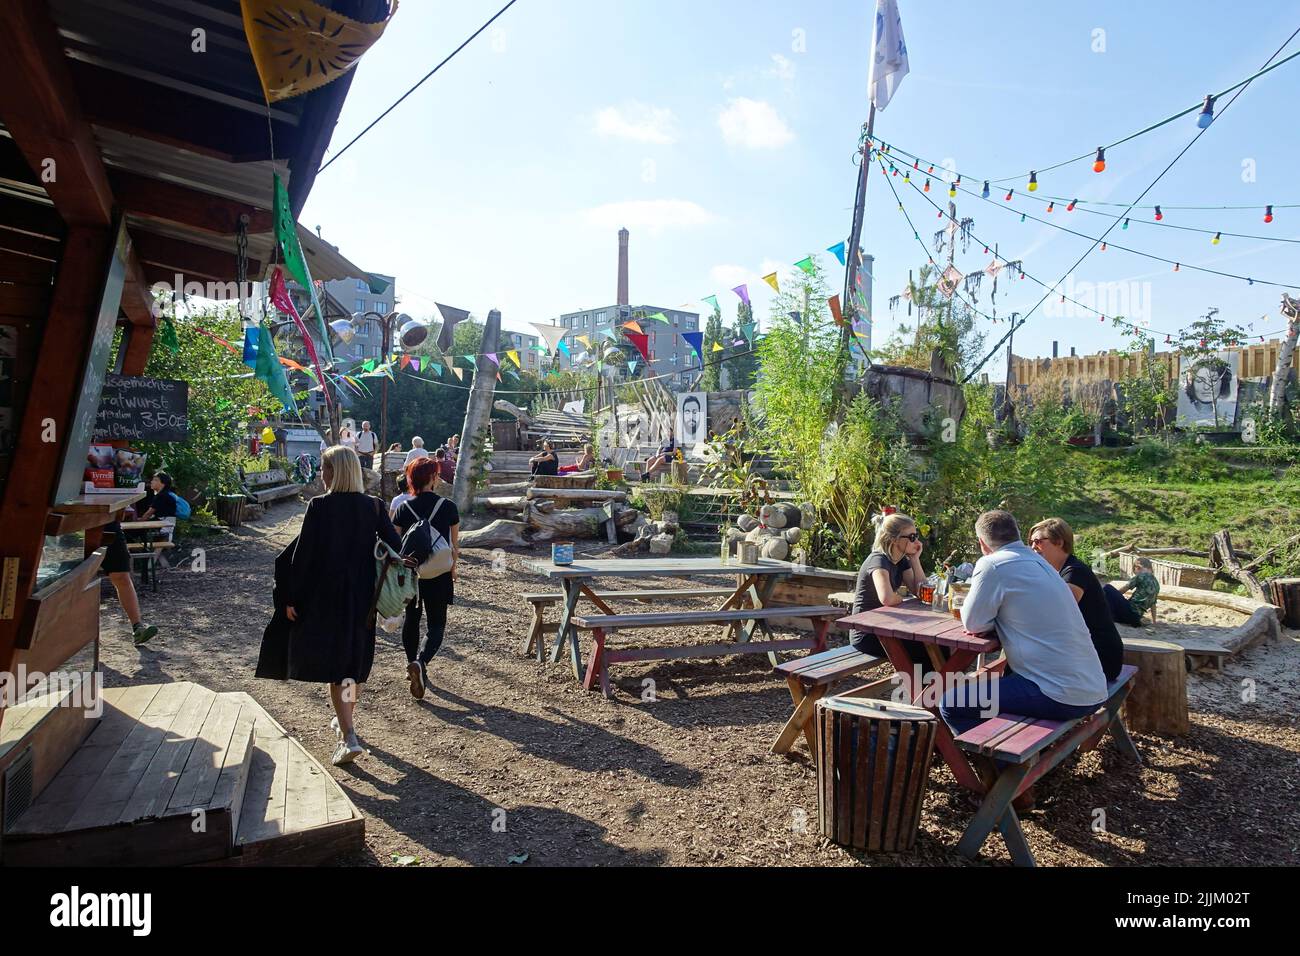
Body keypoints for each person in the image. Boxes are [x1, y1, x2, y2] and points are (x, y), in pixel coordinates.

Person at [284, 446, 404, 766]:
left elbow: (303, 557)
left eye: (324, 469)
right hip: (364, 599)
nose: (321, 476)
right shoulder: (374, 507)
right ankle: (346, 719)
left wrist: (292, 597)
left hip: (326, 598)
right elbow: (396, 548)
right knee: (354, 663)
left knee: (337, 666)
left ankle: (348, 736)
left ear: (333, 472)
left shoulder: (319, 507)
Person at [941, 511, 1107, 740]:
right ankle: (1000, 751)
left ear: (982, 543)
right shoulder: (1041, 562)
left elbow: (973, 622)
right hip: (1093, 686)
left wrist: (991, 621)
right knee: (995, 688)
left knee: (952, 703)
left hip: (1059, 694)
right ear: (1018, 535)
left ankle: (998, 768)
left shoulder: (993, 564)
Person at [392, 457, 461, 699]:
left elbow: (395, 545)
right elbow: (454, 545)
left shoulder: (402, 508)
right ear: (432, 478)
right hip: (439, 574)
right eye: (437, 474)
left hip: (411, 573)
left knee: (411, 619)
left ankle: (413, 662)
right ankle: (421, 663)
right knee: (436, 625)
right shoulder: (448, 506)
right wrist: (454, 569)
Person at [1029, 518, 1124, 681]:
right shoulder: (1060, 571)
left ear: (1059, 542)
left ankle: (983, 700)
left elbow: (1059, 609)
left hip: (1101, 659)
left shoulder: (1075, 571)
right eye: (1030, 542)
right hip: (1086, 654)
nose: (1032, 547)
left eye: (1037, 542)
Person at [847, 513, 930, 668]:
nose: (917, 542)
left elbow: (922, 593)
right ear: (894, 539)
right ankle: (927, 691)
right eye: (911, 537)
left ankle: (934, 690)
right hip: (866, 634)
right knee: (925, 651)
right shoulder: (878, 560)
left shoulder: (901, 561)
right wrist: (899, 598)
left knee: (938, 649)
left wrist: (915, 559)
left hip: (886, 628)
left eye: (916, 536)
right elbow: (887, 598)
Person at [99, 522, 160, 646]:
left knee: (121, 577)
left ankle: (138, 628)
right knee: (79, 581)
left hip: (108, 525)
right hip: (75, 528)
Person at [1105, 557, 1161, 626]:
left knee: (1107, 588)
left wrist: (1114, 596)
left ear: (1137, 567)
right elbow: (1153, 604)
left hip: (1130, 610)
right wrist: (1154, 621)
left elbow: (1123, 590)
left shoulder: (1141, 576)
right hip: (1136, 616)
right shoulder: (1156, 583)